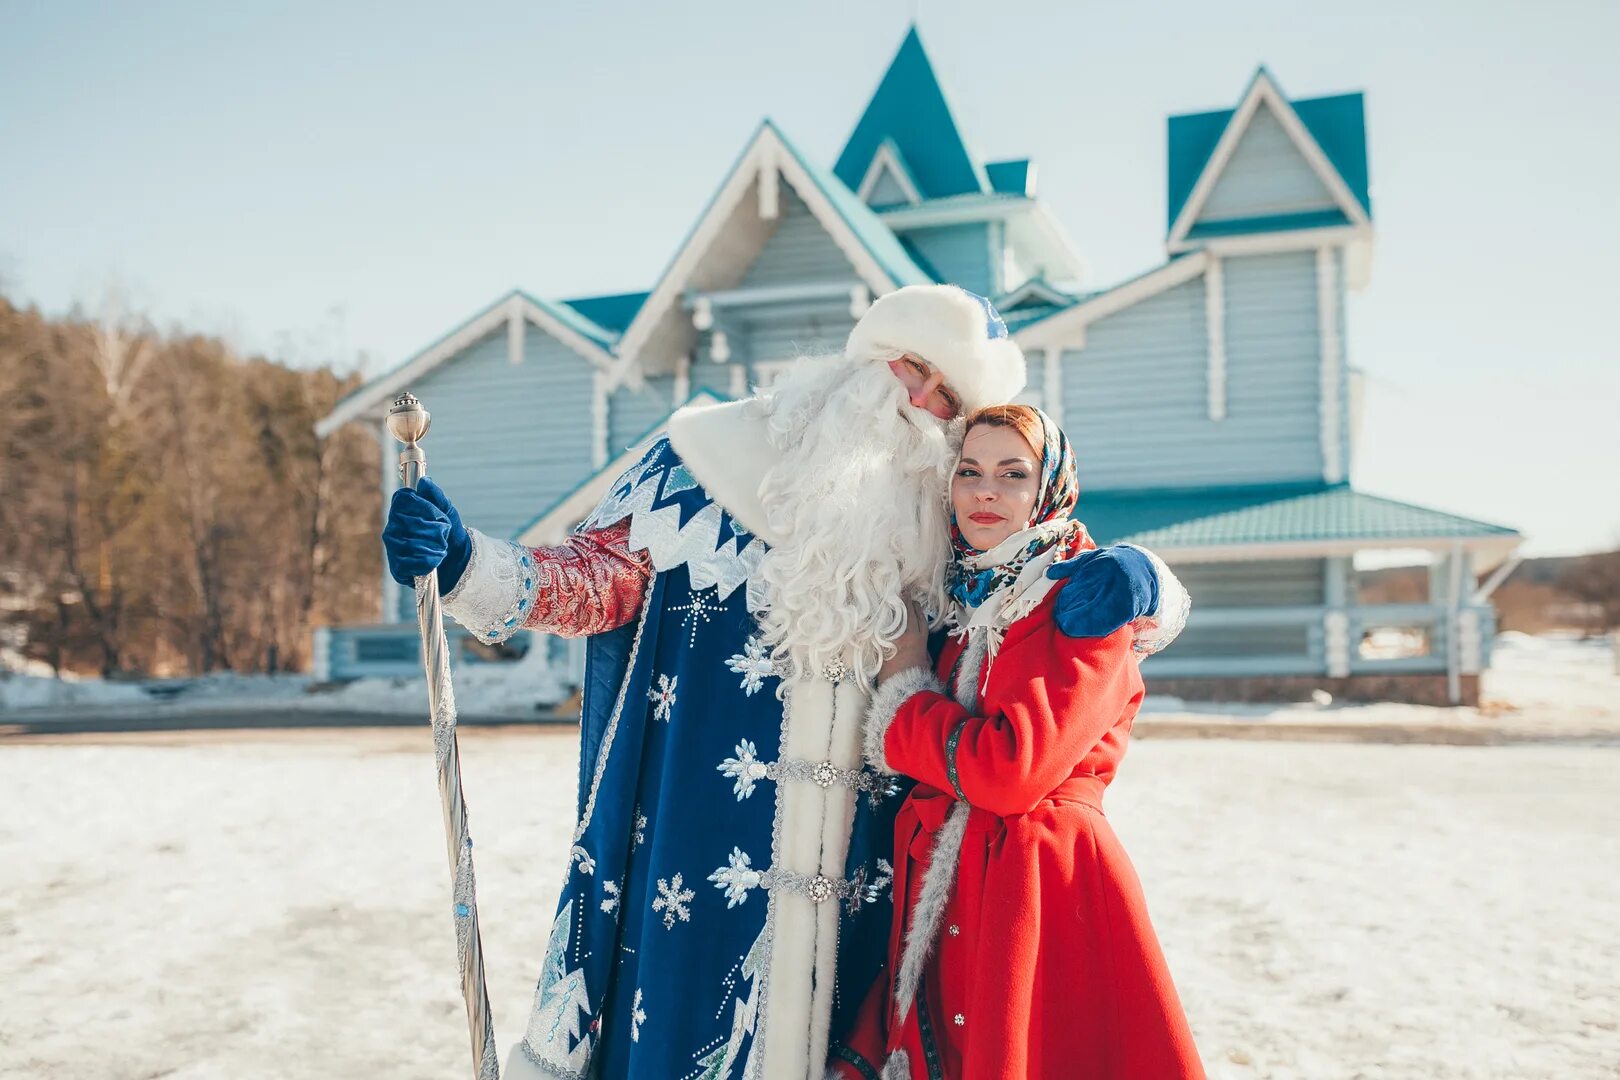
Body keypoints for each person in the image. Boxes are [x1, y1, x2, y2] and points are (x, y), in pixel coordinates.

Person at [381, 287, 1186, 1080]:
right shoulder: (704, 461)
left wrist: (1149, 579)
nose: (920, 405)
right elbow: (598, 582)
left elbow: (1044, 568)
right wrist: (468, 565)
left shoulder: (942, 517)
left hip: (874, 863)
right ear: (861, 366)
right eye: (912, 372)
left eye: (945, 402)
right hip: (705, 837)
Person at [830, 404, 1204, 1080]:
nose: (985, 492)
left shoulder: (1087, 598)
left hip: (1039, 887)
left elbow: (1013, 771)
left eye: (1012, 473)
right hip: (952, 876)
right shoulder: (967, 594)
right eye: (968, 472)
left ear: (1048, 488)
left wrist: (906, 698)